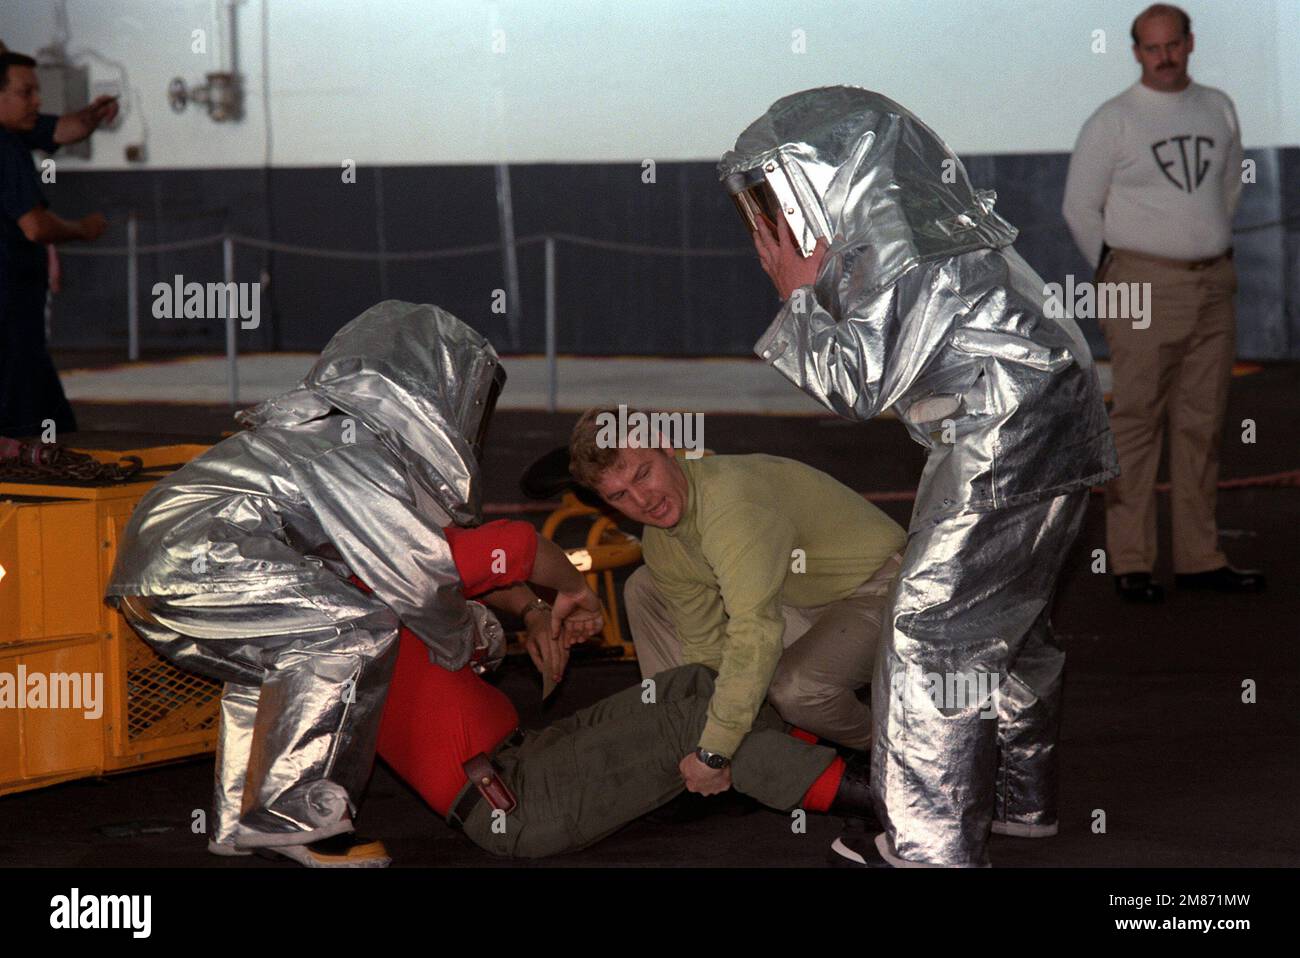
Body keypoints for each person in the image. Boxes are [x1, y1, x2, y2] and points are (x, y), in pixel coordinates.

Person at [719, 86, 1118, 867]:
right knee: (1009, 623)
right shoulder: (919, 233)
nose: (768, 223)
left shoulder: (899, 254)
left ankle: (928, 843)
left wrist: (796, 296)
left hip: (1004, 427)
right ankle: (1019, 799)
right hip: (1051, 412)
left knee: (930, 629)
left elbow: (855, 387)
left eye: (776, 201)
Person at [105, 301, 528, 868]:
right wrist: (467, 640)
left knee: (278, 664)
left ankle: (239, 822)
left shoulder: (319, 431)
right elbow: (417, 580)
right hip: (201, 555)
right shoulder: (357, 449)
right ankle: (297, 818)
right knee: (354, 633)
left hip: (156, 567)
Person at [375, 515, 878, 859]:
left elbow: (480, 575)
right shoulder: (374, 562)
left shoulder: (364, 574)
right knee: (700, 728)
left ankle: (806, 764)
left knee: (694, 684)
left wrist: (534, 610)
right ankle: (889, 801)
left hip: (528, 758)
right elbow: (518, 547)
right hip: (514, 800)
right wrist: (575, 592)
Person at [566, 416, 906, 777]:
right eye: (619, 495)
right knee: (646, 586)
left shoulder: (731, 504)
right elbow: (703, 651)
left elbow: (755, 631)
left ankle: (890, 750)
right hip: (800, 597)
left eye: (642, 474)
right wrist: (705, 738)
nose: (642, 500)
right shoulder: (661, 539)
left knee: (796, 689)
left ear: (667, 448)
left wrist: (716, 752)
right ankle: (691, 739)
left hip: (881, 590)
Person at [1062, 3, 1263, 603]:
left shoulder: (1218, 106)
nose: (1164, 57)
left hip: (1212, 283)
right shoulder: (1114, 120)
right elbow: (1079, 206)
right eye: (1152, 48)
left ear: (1190, 43)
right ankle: (1132, 560)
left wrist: (1201, 246)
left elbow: (1225, 189)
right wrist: (1116, 270)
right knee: (1138, 419)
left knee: (1204, 422)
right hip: (1140, 286)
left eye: (1173, 44)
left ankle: (1201, 557)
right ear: (1136, 52)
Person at [0, 49, 116, 438]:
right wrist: (82, 229)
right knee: (27, 421)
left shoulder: (15, 132)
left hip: (17, 308)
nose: (37, 100)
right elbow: (34, 226)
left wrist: (94, 115)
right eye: (26, 92)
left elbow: (61, 128)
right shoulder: (5, 147)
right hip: (9, 305)